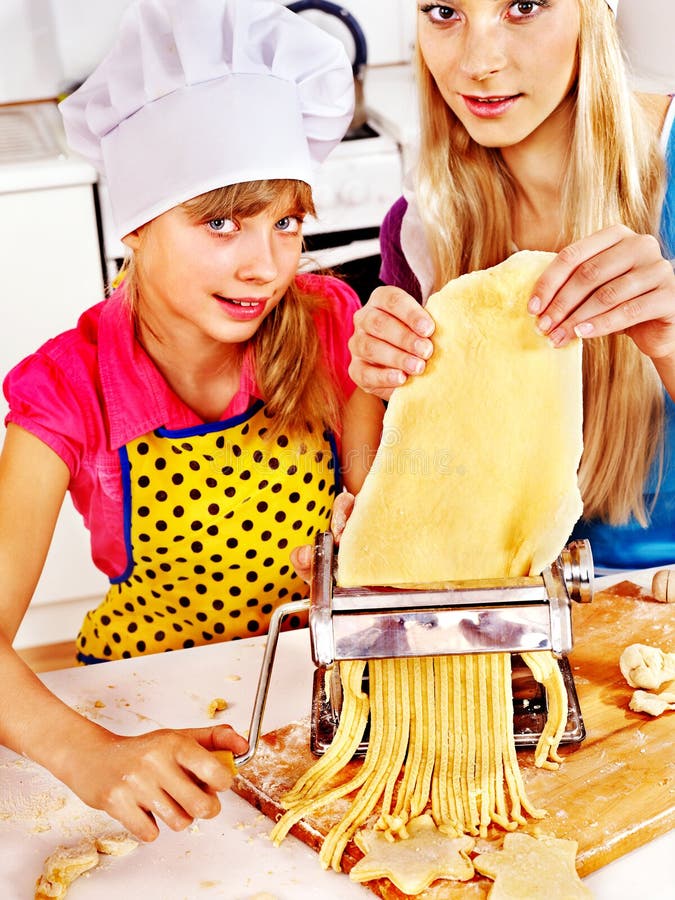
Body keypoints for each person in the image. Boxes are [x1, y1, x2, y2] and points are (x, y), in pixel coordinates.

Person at [0, 0, 382, 842]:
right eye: (220, 223)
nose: (266, 264)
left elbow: (378, 509)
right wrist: (89, 753)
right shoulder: (69, 387)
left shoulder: (329, 325)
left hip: (310, 692)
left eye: (286, 221)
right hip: (149, 702)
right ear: (136, 225)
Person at [345, 0, 675, 572]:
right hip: (509, 610)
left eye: (524, 7)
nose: (479, 62)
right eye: (444, 12)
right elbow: (367, 467)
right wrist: (379, 383)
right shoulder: (425, 226)